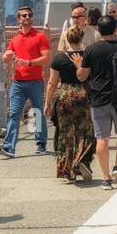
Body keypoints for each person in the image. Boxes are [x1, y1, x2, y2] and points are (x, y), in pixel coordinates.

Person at [78, 15, 117, 189]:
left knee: (102, 138)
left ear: (98, 31)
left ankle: (106, 178)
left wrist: (79, 64)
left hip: (98, 98)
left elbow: (82, 76)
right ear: (116, 29)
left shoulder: (92, 49)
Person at [0, 6, 51, 158]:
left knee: (37, 113)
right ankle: (9, 147)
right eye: (24, 15)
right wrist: (6, 57)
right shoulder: (14, 39)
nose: (27, 17)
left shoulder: (40, 37)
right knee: (14, 114)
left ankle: (40, 143)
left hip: (35, 81)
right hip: (18, 82)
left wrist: (28, 62)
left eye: (30, 15)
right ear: (19, 19)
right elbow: (6, 58)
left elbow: (47, 58)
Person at [45, 25, 95, 183]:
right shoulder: (88, 56)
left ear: (66, 38)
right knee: (85, 130)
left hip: (65, 95)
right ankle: (82, 160)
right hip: (84, 94)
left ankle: (68, 172)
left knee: (66, 133)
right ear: (81, 38)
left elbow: (52, 82)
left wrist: (47, 103)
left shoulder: (59, 58)